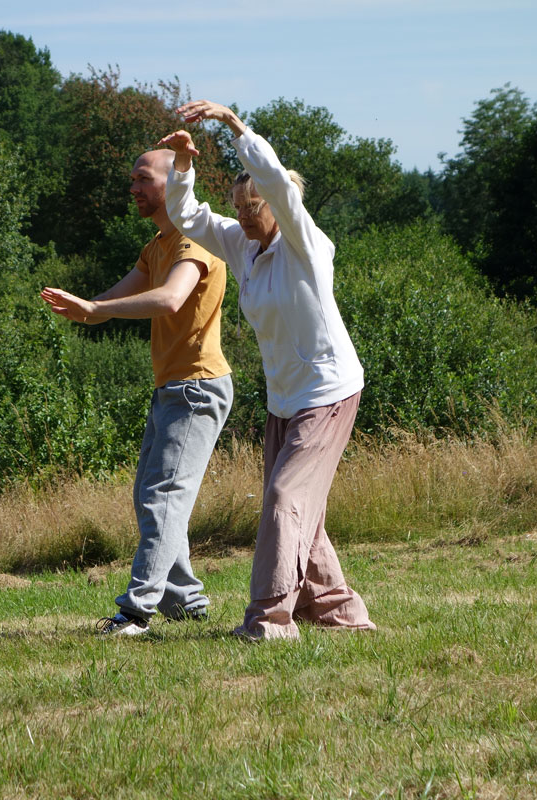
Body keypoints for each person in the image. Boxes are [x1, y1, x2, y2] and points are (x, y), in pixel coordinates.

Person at [159, 100, 375, 641]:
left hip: (327, 393)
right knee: (303, 513)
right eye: (238, 206)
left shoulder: (306, 244)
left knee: (284, 501)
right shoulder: (242, 245)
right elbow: (190, 217)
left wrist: (234, 127)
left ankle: (271, 620)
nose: (244, 215)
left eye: (252, 206)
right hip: (285, 400)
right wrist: (184, 167)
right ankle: (340, 614)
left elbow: (276, 181)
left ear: (278, 205)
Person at [41, 149, 233, 635]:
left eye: (142, 180)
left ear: (174, 183)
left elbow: (170, 299)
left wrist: (92, 307)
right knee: (153, 495)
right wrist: (85, 308)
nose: (133, 189)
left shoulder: (195, 240)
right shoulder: (157, 245)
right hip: (173, 387)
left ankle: (135, 612)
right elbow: (110, 301)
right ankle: (185, 601)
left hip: (197, 388)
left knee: (163, 496)